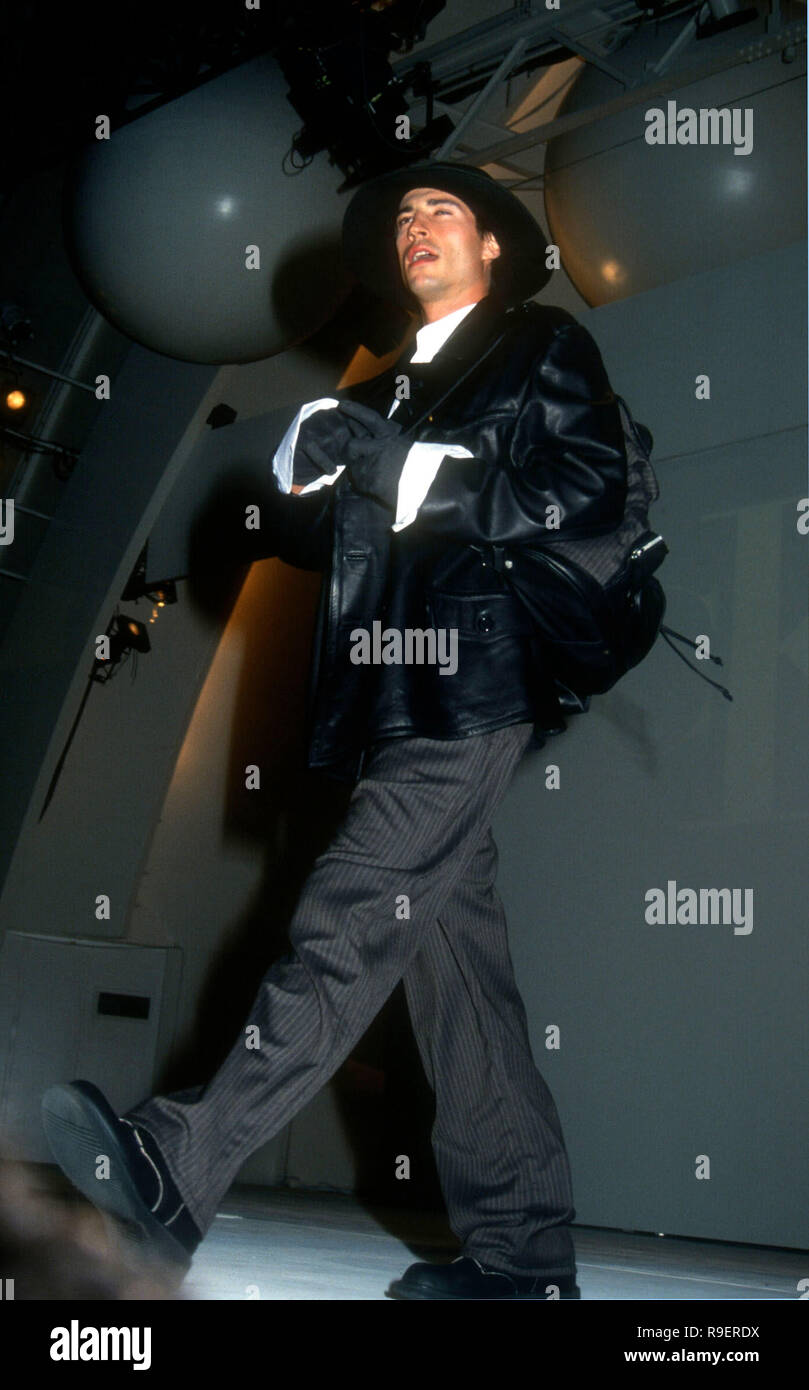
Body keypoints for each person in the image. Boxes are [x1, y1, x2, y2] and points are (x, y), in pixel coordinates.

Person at [41, 162, 630, 1301]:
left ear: (493, 244)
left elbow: (583, 492)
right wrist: (315, 473)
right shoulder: (388, 385)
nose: (416, 227)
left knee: (345, 916)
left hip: (473, 678)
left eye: (441, 212)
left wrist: (400, 468)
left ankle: (178, 1164)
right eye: (403, 217)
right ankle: (525, 1263)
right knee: (460, 983)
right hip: (381, 696)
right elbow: (328, 540)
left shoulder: (537, 347)